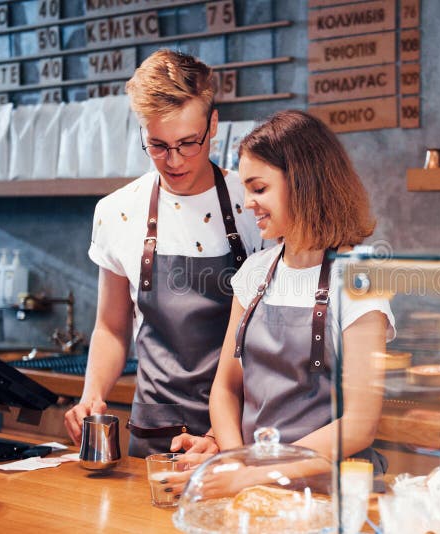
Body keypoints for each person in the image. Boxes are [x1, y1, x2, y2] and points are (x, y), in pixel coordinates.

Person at [63, 50, 261, 458]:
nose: (174, 161)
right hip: (153, 436)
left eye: (189, 143)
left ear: (214, 126)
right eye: (158, 145)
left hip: (236, 434)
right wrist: (91, 395)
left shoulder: (256, 205)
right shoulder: (117, 211)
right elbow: (112, 327)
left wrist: (227, 436)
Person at [206, 109, 396, 477]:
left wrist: (261, 469)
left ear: (304, 182)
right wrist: (235, 465)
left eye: (259, 188)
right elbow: (225, 389)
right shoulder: (253, 274)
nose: (248, 203)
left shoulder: (359, 281)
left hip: (331, 493)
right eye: (246, 189)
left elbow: (359, 424)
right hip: (256, 486)